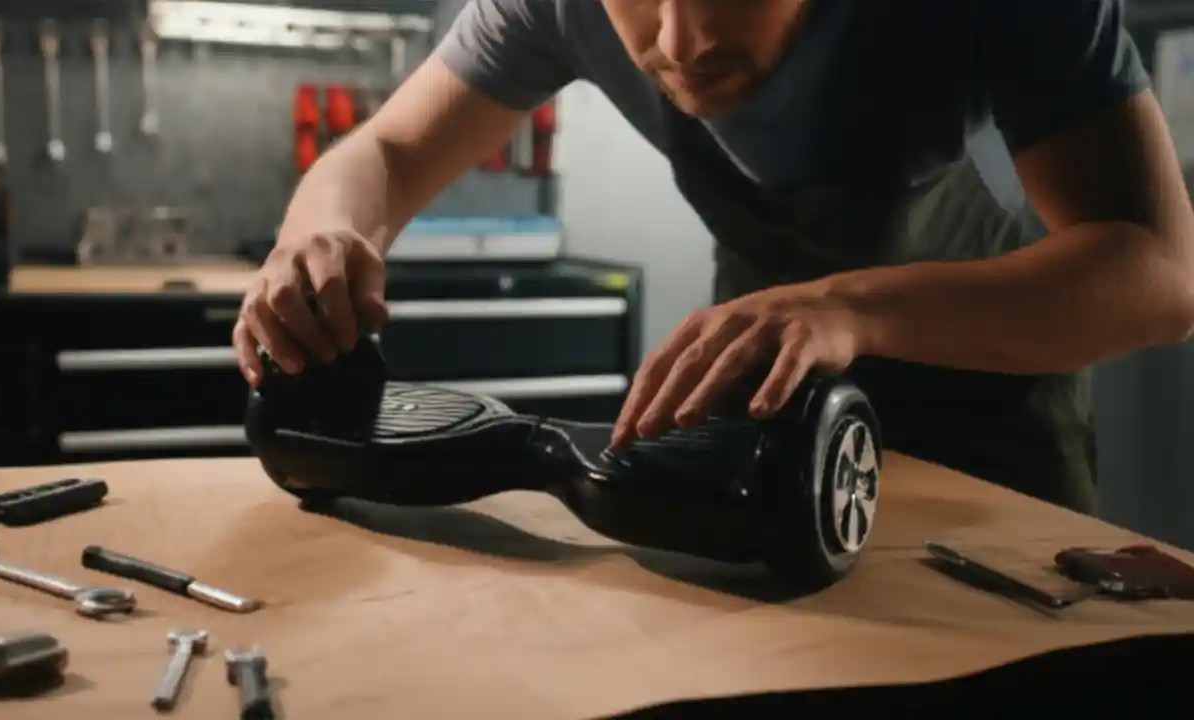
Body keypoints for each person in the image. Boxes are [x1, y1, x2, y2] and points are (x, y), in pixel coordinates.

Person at [232, 0, 1194, 515]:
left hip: (993, 400)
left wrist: (849, 307)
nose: (680, 40)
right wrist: (323, 235)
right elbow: (387, 153)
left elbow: (1156, 269)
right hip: (765, 401)